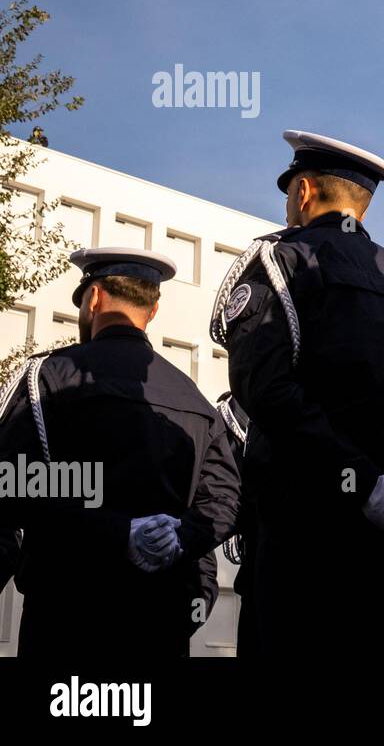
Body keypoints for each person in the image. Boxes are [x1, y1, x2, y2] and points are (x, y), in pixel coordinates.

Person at [212, 130, 384, 657]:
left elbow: (266, 390)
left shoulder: (280, 263)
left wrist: (366, 487)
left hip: (304, 540)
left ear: (303, 193)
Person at [0, 247, 239, 656]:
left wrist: (116, 532)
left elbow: (14, 484)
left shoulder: (48, 378)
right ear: (154, 309)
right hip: (160, 622)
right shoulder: (196, 401)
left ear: (93, 298)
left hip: (65, 619)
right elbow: (224, 501)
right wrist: (175, 539)